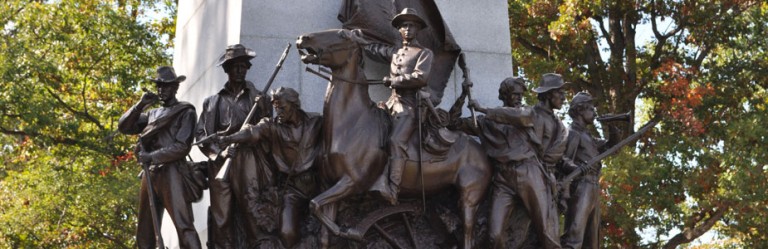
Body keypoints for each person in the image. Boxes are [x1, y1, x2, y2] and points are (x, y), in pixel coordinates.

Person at [213, 87, 322, 248]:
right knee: (287, 232)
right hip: (293, 189)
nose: (279, 111)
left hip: (319, 186)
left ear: (294, 104)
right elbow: (251, 132)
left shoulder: (316, 121)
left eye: (282, 107)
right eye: (276, 107)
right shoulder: (271, 126)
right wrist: (229, 138)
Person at [470, 73, 569, 249]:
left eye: (521, 95)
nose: (519, 98)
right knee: (494, 236)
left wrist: (484, 109)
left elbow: (520, 116)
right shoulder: (489, 122)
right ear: (504, 95)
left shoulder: (529, 114)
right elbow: (461, 123)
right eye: (515, 94)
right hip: (503, 179)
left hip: (529, 173)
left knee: (547, 232)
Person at [195, 44, 273, 248]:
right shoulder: (212, 102)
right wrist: (219, 154)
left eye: (243, 66)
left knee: (252, 208)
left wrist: (263, 107)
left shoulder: (258, 98)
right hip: (221, 163)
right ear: (226, 69)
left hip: (249, 159)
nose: (240, 70)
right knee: (222, 216)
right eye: (235, 66)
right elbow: (202, 135)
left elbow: (269, 130)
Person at [118, 66, 202, 249]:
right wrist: (141, 104)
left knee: (184, 226)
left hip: (173, 173)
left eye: (165, 86)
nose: (160, 90)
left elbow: (182, 147)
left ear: (175, 88)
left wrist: (151, 156)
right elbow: (124, 127)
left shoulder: (185, 112)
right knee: (144, 231)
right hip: (150, 174)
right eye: (158, 86)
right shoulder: (151, 115)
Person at [364, 8, 434, 204]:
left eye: (412, 25)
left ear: (418, 29)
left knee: (395, 141)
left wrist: (395, 81)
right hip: (391, 103)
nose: (408, 29)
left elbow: (421, 77)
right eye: (404, 25)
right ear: (399, 30)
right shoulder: (396, 52)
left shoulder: (424, 53)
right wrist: (358, 40)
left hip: (411, 106)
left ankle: (393, 189)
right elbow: (375, 50)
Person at [559, 92, 615, 249]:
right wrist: (576, 168)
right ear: (580, 111)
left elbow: (612, 146)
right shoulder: (572, 133)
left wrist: (611, 125)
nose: (595, 112)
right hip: (580, 186)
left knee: (592, 240)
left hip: (593, 187)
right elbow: (563, 159)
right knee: (574, 235)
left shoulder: (589, 136)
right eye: (591, 108)